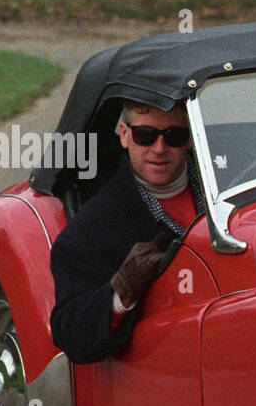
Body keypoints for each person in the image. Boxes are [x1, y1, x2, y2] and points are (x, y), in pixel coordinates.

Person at [49, 100, 206, 364]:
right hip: (169, 363)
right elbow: (70, 332)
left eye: (174, 136)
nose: (159, 148)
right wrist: (120, 292)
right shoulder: (92, 228)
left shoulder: (230, 185)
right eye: (144, 136)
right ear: (124, 134)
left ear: (191, 139)